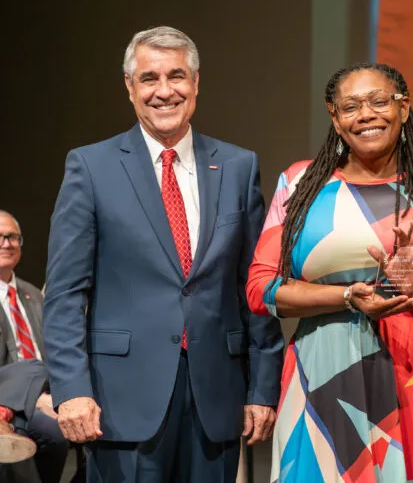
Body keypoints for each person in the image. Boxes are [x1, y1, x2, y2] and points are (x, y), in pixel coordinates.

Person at [42, 26, 284, 482]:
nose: (164, 91)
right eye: (149, 78)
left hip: (216, 400)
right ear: (129, 88)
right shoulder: (90, 167)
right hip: (119, 404)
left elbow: (254, 287)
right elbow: (65, 294)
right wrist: (71, 389)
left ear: (196, 83)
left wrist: (263, 388)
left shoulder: (237, 166)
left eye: (177, 76)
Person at [247, 62, 413, 482]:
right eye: (351, 106)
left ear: (404, 108)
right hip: (323, 374)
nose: (366, 115)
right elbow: (261, 288)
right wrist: (345, 297)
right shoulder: (300, 183)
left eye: (380, 101)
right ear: (335, 118)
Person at [0, 211, 69, 482]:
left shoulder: (34, 295)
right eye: (0, 237)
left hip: (48, 393)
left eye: (12, 237)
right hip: (9, 393)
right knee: (31, 370)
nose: (6, 244)